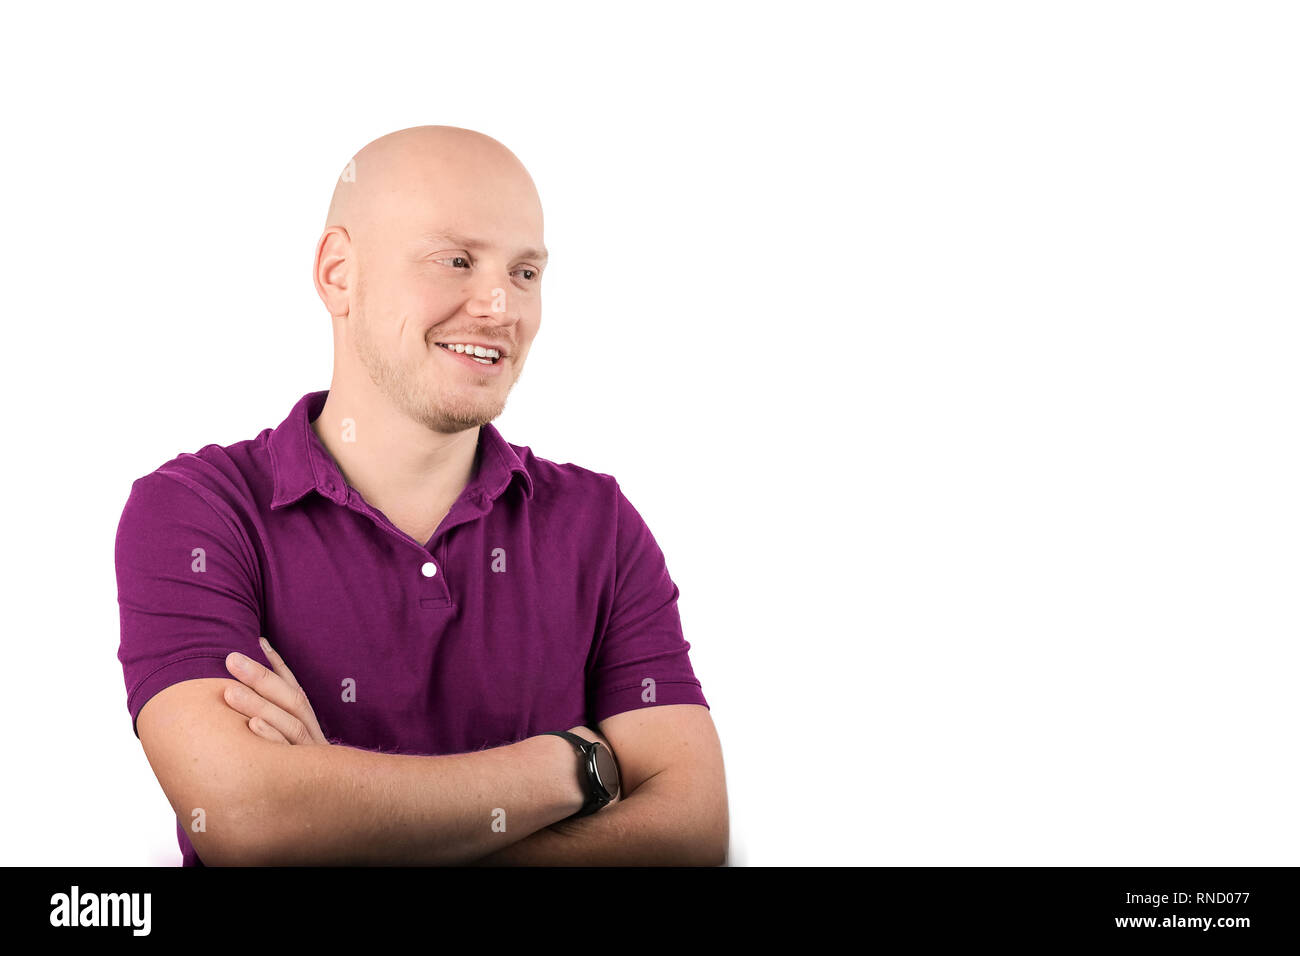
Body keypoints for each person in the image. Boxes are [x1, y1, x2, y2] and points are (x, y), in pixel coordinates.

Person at [114, 125, 728, 866]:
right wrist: (573, 766)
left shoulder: (599, 524)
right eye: (457, 260)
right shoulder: (196, 513)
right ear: (339, 272)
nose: (501, 306)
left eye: (526, 272)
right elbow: (245, 817)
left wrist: (338, 821)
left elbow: (692, 830)